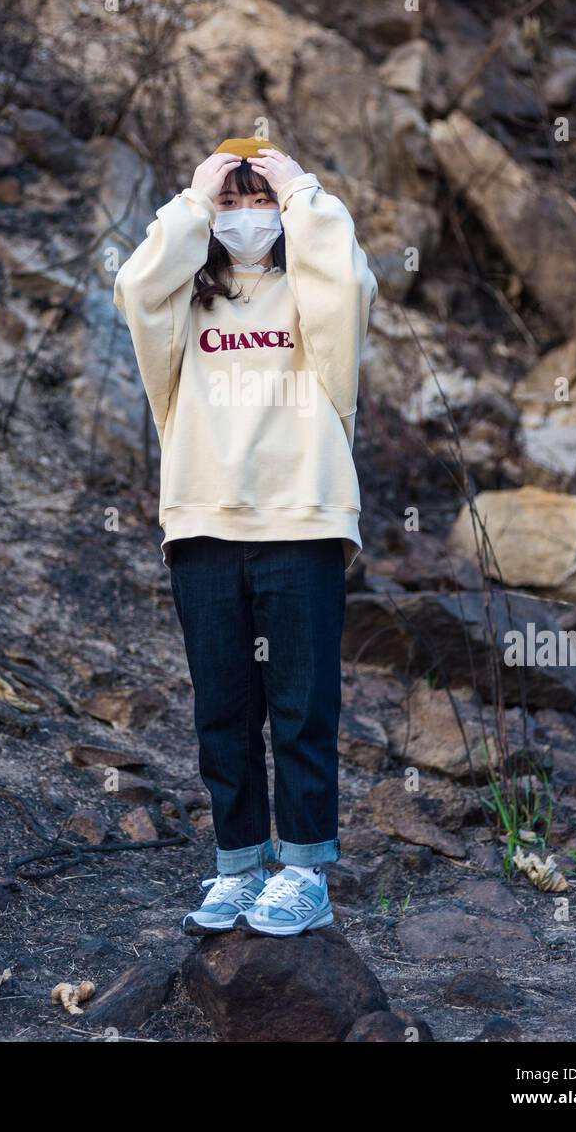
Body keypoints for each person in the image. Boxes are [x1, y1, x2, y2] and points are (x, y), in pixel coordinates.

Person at [113, 136, 378, 936]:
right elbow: (133, 285)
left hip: (303, 519)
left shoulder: (313, 297)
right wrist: (195, 203)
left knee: (300, 707)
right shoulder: (180, 311)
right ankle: (236, 867)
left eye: (256, 199)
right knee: (222, 708)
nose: (245, 214)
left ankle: (302, 872)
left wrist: (302, 189)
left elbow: (351, 281)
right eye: (231, 202)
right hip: (201, 522)